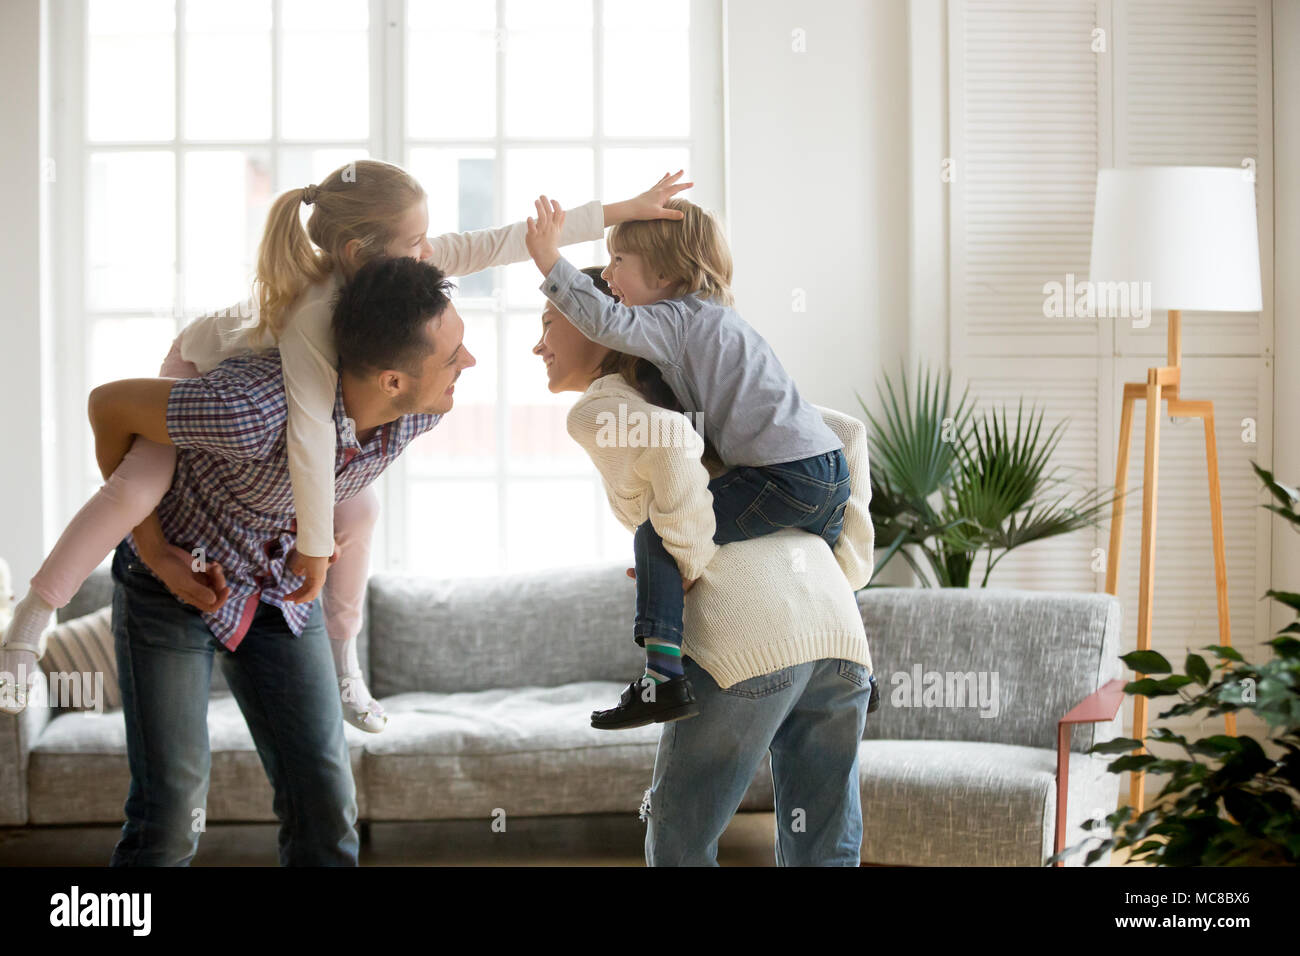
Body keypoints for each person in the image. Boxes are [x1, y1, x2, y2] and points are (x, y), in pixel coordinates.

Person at [0, 161, 692, 733]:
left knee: (360, 514)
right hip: (195, 366)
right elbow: (307, 432)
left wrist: (625, 206)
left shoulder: (399, 269)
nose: (429, 250)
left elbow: (500, 240)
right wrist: (311, 545)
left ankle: (344, 667)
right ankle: (30, 623)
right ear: (361, 253)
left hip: (287, 419)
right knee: (138, 489)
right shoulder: (312, 315)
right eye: (415, 239)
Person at [88, 256, 466, 865]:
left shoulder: (416, 414)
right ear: (392, 379)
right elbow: (108, 407)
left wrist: (304, 527)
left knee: (324, 801)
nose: (467, 365)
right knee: (171, 814)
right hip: (170, 585)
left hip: (277, 590)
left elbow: (325, 476)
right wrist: (156, 552)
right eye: (453, 358)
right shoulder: (246, 411)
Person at [534, 267, 878, 865]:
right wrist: (843, 566)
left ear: (598, 319)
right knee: (825, 848)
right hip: (838, 633)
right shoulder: (703, 389)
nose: (538, 345)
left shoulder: (601, 406)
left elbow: (669, 443)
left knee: (680, 845)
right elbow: (845, 433)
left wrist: (687, 552)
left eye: (548, 324)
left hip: (746, 640)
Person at [525, 196, 851, 729]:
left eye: (618, 263)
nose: (608, 275)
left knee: (658, 535)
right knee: (811, 568)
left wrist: (548, 261)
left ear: (667, 273)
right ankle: (861, 674)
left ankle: (661, 678)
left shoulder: (672, 322)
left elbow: (604, 322)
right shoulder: (721, 319)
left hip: (783, 476)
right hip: (828, 473)